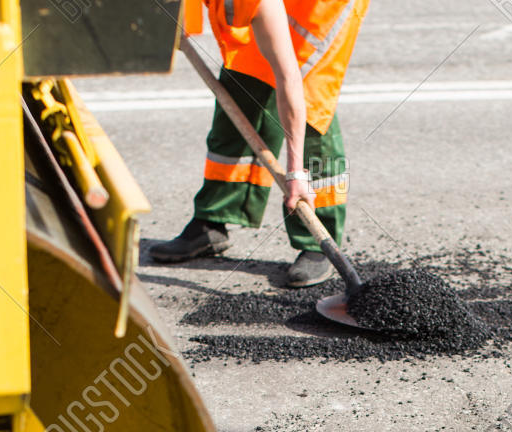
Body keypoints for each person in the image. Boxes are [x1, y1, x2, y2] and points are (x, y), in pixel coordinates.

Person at [147, 0, 369, 288]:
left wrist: (295, 172)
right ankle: (214, 217)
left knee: (311, 100)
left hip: (320, 10)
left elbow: (287, 77)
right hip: (262, 7)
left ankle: (318, 238)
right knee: (243, 76)